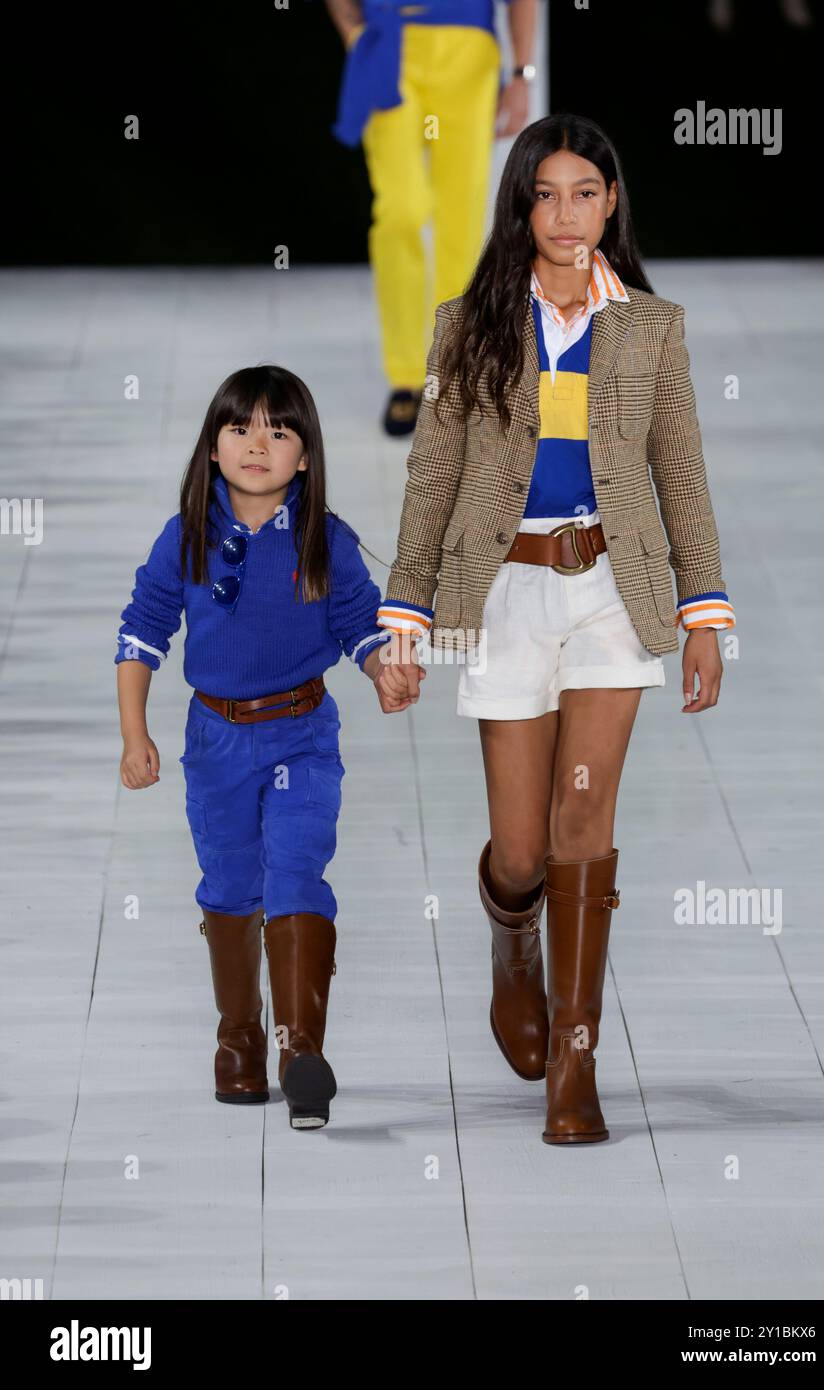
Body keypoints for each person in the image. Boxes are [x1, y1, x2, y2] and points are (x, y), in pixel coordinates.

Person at [374, 114, 736, 1145]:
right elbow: (433, 476)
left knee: (585, 826)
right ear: (520, 206)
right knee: (523, 850)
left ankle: (573, 1062)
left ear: (611, 203)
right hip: (506, 595)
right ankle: (510, 946)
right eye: (546, 194)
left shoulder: (650, 328)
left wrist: (702, 614)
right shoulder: (470, 325)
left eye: (585, 192)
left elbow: (682, 476)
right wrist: (402, 616)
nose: (567, 213)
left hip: (612, 596)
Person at [115, 366, 407, 1129]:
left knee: (298, 866)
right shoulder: (186, 537)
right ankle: (238, 1036)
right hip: (214, 741)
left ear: (305, 457)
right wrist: (134, 733)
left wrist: (384, 669)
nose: (258, 443)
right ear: (212, 447)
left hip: (303, 735)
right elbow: (141, 632)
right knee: (230, 883)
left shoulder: (325, 539)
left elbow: (359, 621)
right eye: (241, 427)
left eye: (281, 431)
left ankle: (298, 1045)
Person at [326, 0, 538, 434]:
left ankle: (450, 370)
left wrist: (521, 74)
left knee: (460, 216)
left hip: (468, 51)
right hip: (391, 45)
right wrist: (356, 36)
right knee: (400, 209)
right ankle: (406, 375)